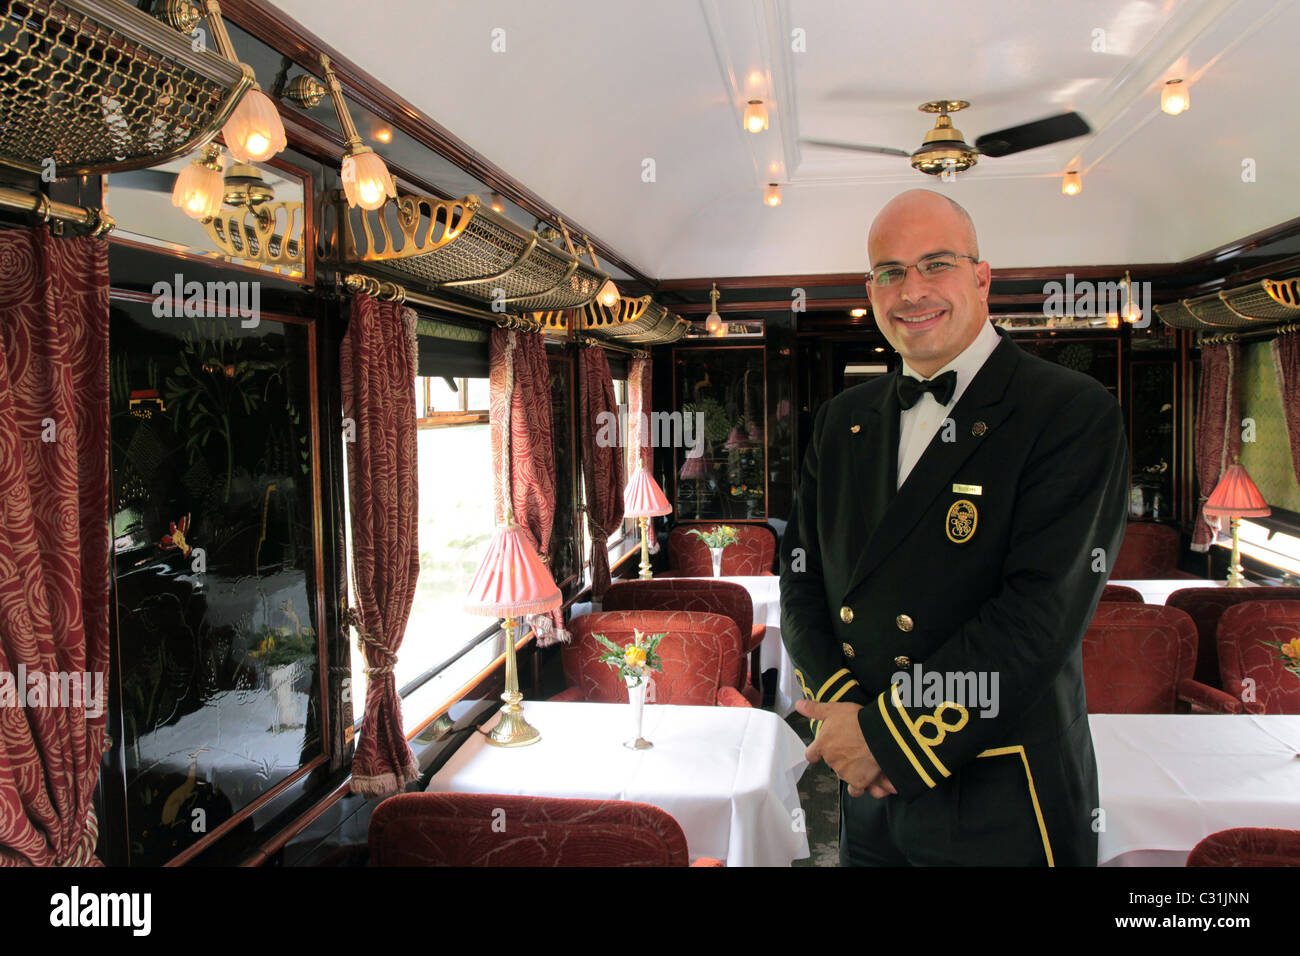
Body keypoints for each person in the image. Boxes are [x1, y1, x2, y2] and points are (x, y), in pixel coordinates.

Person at [779, 189, 1129, 866]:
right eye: (890, 272)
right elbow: (801, 578)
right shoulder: (843, 418)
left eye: (935, 264)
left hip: (1001, 786)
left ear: (981, 276)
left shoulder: (1069, 412)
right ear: (871, 288)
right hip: (868, 790)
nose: (912, 291)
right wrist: (850, 717)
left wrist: (889, 737)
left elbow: (1036, 618)